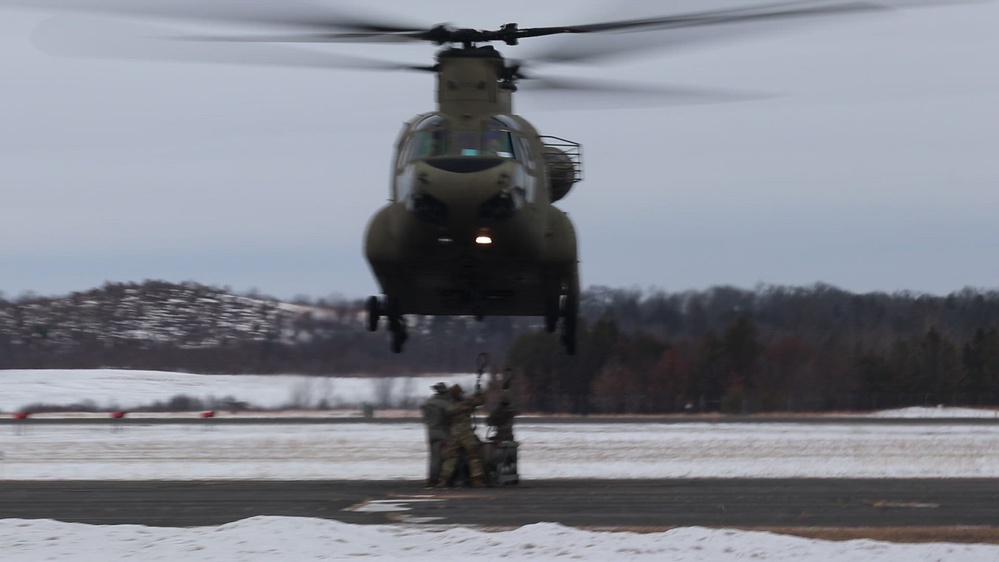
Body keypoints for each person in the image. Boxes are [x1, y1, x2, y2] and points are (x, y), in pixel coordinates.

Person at [436, 384, 486, 488]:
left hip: (454, 435)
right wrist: (479, 391)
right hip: (467, 434)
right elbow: (481, 401)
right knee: (473, 457)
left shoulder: (449, 407)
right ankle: (477, 480)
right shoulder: (467, 404)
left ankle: (444, 480)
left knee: (450, 458)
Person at [420, 382, 451, 487]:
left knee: (433, 457)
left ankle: (432, 478)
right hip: (443, 433)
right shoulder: (445, 404)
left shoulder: (428, 403)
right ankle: (440, 479)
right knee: (445, 456)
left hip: (430, 432)